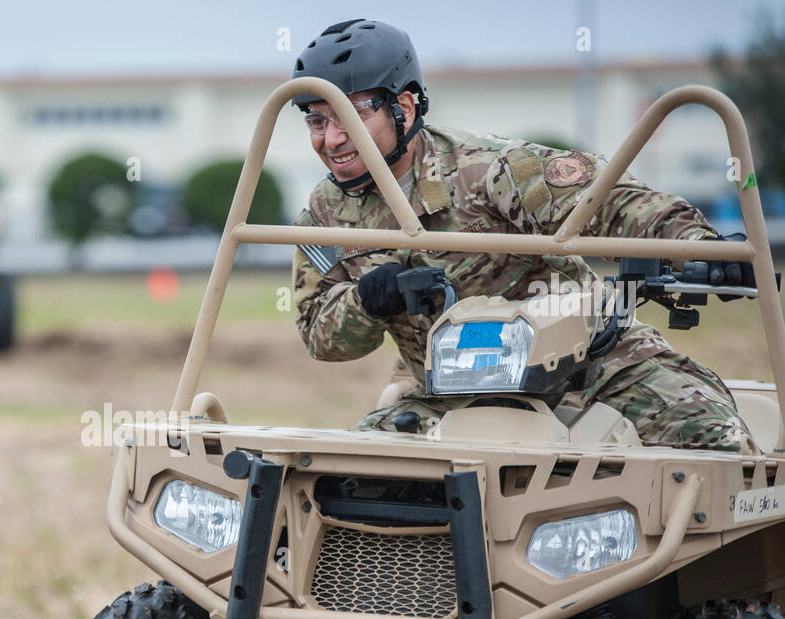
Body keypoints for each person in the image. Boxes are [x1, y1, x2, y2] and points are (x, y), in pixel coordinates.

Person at [290, 18, 758, 452]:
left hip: (594, 368)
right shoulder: (324, 214)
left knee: (712, 443)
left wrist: (695, 242)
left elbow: (607, 199)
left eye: (348, 118)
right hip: (455, 393)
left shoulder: (487, 169)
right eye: (317, 121)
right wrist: (368, 302)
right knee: (348, 476)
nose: (331, 140)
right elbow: (320, 337)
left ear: (404, 108)